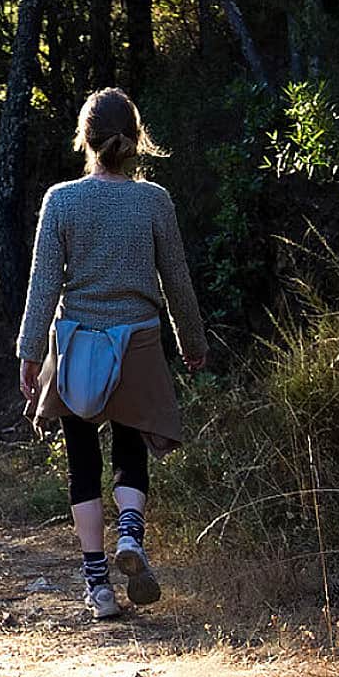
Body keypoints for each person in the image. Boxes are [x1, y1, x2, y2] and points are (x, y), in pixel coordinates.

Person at [17, 87, 208, 621]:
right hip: (139, 342)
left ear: (85, 138)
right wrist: (193, 344)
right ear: (135, 138)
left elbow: (43, 287)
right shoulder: (154, 201)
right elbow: (177, 282)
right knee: (131, 449)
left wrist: (29, 354)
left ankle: (98, 586)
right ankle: (131, 534)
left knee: (82, 462)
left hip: (77, 343)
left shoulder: (61, 200)